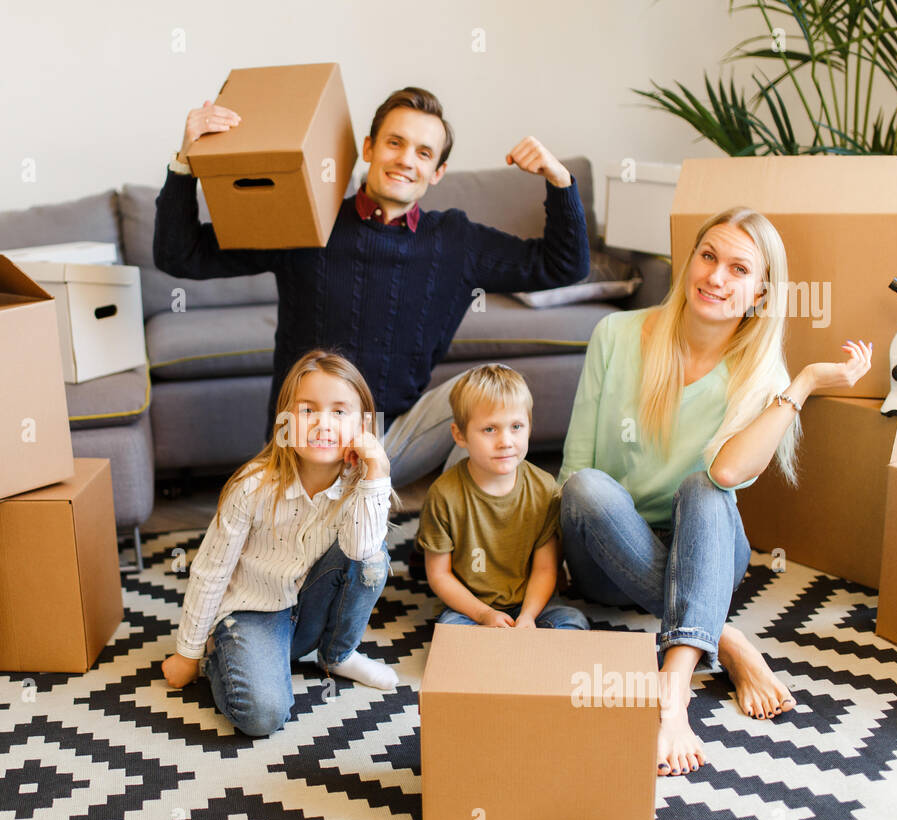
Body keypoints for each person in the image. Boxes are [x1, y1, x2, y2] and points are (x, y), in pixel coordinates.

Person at [557, 206, 873, 777]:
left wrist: (801, 384)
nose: (716, 278)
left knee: (703, 488)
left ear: (760, 293)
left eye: (738, 269)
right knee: (586, 487)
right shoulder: (616, 334)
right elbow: (574, 468)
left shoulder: (763, 377)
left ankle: (671, 698)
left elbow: (727, 476)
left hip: (702, 551)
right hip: (606, 551)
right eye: (708, 256)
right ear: (690, 260)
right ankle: (723, 637)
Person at [154, 86, 590, 489]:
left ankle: (454, 538)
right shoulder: (311, 221)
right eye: (395, 143)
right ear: (369, 148)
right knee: (318, 567)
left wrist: (559, 181)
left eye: (423, 152)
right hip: (304, 441)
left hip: (389, 443)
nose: (405, 160)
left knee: (484, 392)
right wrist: (185, 162)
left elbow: (563, 266)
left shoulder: (456, 242)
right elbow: (181, 256)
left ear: (437, 172)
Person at [161, 349, 398, 737]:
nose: (323, 424)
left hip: (309, 613)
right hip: (256, 613)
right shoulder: (252, 486)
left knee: (372, 558)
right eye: (308, 411)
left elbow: (360, 555)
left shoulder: (361, 484)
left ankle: (337, 655)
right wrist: (187, 655)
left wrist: (378, 472)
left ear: (364, 426)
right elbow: (210, 571)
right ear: (285, 421)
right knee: (262, 717)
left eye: (339, 412)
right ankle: (220, 655)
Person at [417, 363, 588, 631]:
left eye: (516, 426)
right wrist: (484, 614)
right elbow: (439, 574)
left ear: (530, 427)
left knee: (572, 622)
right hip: (470, 607)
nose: (506, 441)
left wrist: (528, 617)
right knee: (451, 633)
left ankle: (523, 658)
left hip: (532, 604)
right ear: (460, 435)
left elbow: (545, 569)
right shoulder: (443, 495)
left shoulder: (544, 489)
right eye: (490, 430)